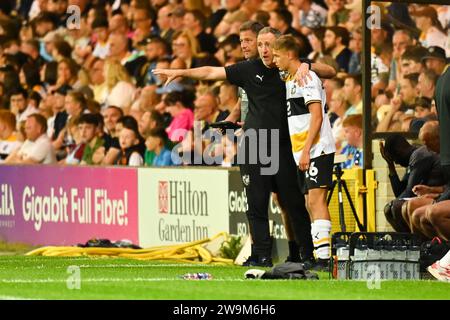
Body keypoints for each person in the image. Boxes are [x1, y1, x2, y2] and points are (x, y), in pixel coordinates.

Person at [154, 26, 336, 268]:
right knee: (256, 203)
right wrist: (180, 72)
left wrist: (306, 65)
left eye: (267, 45)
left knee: (293, 203)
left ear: (280, 47)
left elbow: (330, 71)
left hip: (285, 144)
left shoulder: (291, 68)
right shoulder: (248, 69)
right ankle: (261, 255)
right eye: (259, 44)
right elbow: (210, 71)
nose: (262, 50)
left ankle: (305, 254)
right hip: (255, 143)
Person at [272, 34, 336, 269]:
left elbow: (317, 116)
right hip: (303, 149)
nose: (274, 60)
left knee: (317, 201)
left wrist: (307, 149)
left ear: (289, 54)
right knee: (310, 202)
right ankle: (320, 256)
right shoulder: (290, 77)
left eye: (277, 55)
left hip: (317, 147)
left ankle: (325, 259)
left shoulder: (306, 77)